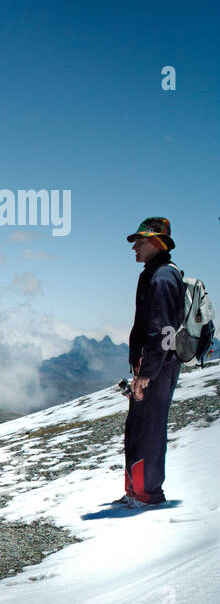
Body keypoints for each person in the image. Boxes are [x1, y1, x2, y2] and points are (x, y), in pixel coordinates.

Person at [122, 217, 185, 506]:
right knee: (140, 425)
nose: (134, 246)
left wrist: (146, 372)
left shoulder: (161, 277)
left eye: (140, 241)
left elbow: (162, 332)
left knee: (148, 427)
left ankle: (148, 494)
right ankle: (137, 490)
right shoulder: (155, 274)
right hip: (153, 368)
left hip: (157, 369)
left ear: (157, 242)